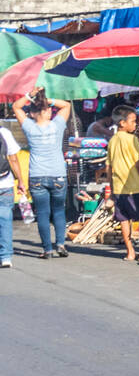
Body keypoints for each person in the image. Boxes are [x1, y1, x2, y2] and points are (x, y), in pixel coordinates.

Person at [14, 88, 71, 258]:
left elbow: (16, 107)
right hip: (58, 175)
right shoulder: (57, 125)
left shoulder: (29, 127)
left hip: (37, 176)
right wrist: (49, 100)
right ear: (47, 111)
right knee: (59, 211)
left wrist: (29, 95)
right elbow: (66, 105)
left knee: (43, 213)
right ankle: (60, 244)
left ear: (31, 113)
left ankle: (47, 249)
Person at [107, 105, 139, 262]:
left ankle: (130, 252)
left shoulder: (112, 141)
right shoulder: (132, 139)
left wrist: (112, 189)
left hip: (119, 188)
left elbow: (109, 167)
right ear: (122, 123)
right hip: (136, 187)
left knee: (124, 219)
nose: (135, 124)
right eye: (133, 121)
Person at [0, 123, 21, 268]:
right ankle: (6, 256)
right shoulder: (4, 132)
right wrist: (20, 180)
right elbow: (13, 159)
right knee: (5, 219)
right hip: (5, 183)